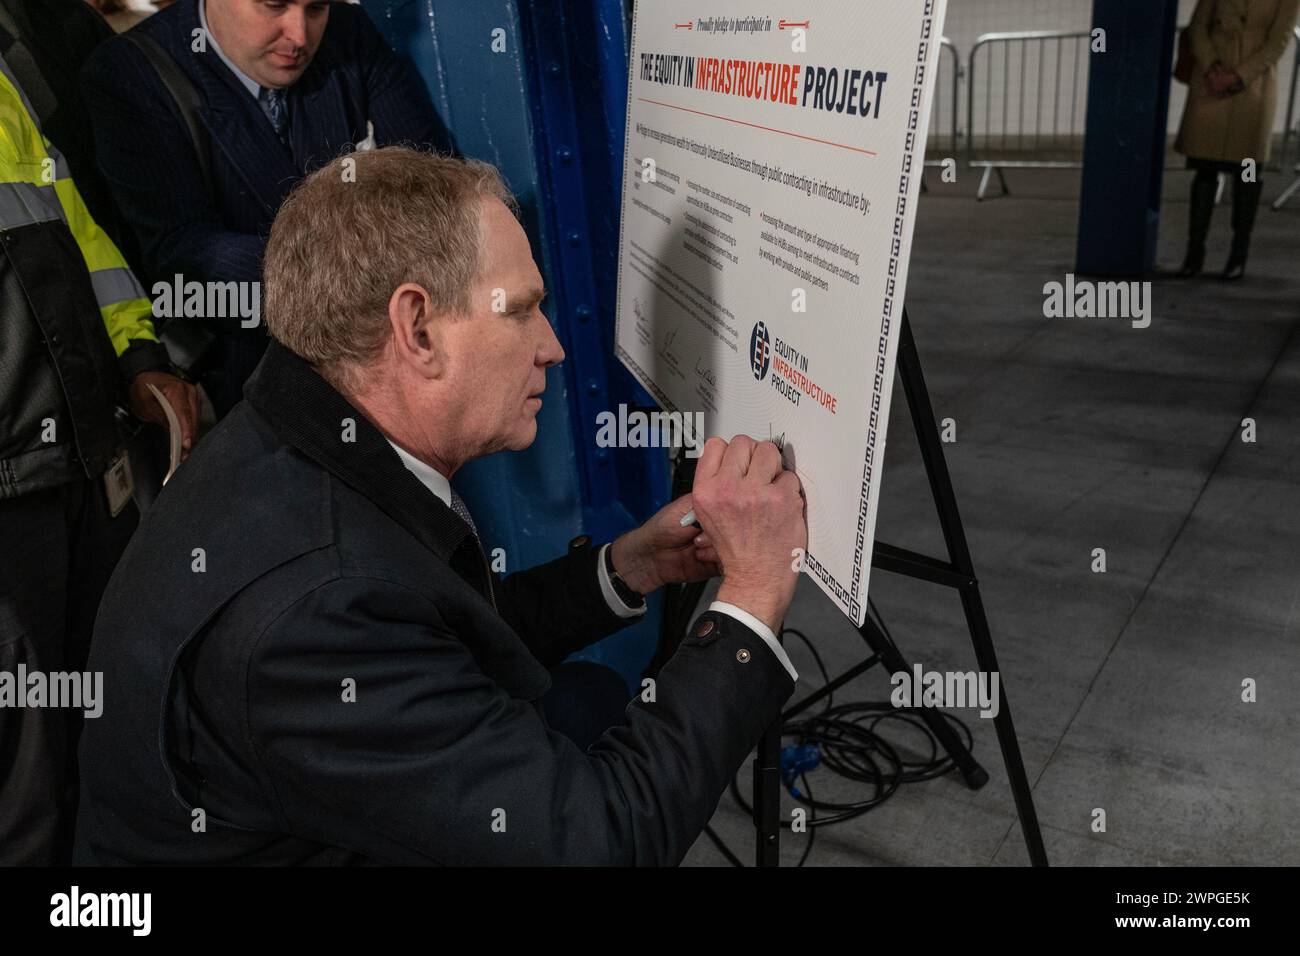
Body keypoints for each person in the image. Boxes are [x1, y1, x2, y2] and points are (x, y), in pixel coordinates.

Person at [74, 147, 808, 865]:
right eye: (522, 311)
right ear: (417, 329)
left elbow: (428, 627)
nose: (552, 347)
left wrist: (626, 568)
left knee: (587, 694)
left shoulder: (297, 428)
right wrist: (749, 597)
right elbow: (603, 843)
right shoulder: (319, 611)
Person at [0, 41, 198, 864]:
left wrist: (138, 353)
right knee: (23, 779)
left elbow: (69, 226)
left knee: (107, 721)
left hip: (79, 450)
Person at [81, 0, 452, 415]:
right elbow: (182, 249)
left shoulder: (346, 31)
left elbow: (436, 183)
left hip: (386, 364)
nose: (299, 35)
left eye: (316, 8)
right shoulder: (132, 73)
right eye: (273, 5)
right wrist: (357, 281)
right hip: (252, 377)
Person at [1174, 0, 1299, 279]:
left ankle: (1238, 255)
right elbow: (1198, 27)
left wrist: (1239, 76)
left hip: (1253, 86)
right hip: (1211, 82)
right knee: (1203, 171)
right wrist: (1211, 67)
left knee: (1248, 173)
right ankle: (1194, 253)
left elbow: (1277, 43)